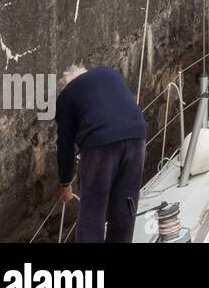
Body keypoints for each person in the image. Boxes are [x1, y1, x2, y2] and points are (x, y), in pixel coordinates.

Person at [55, 65, 148, 244]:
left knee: (92, 217)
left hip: (100, 144)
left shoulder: (67, 95)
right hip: (137, 136)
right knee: (124, 213)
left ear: (66, 86)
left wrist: (65, 182)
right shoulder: (109, 73)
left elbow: (65, 144)